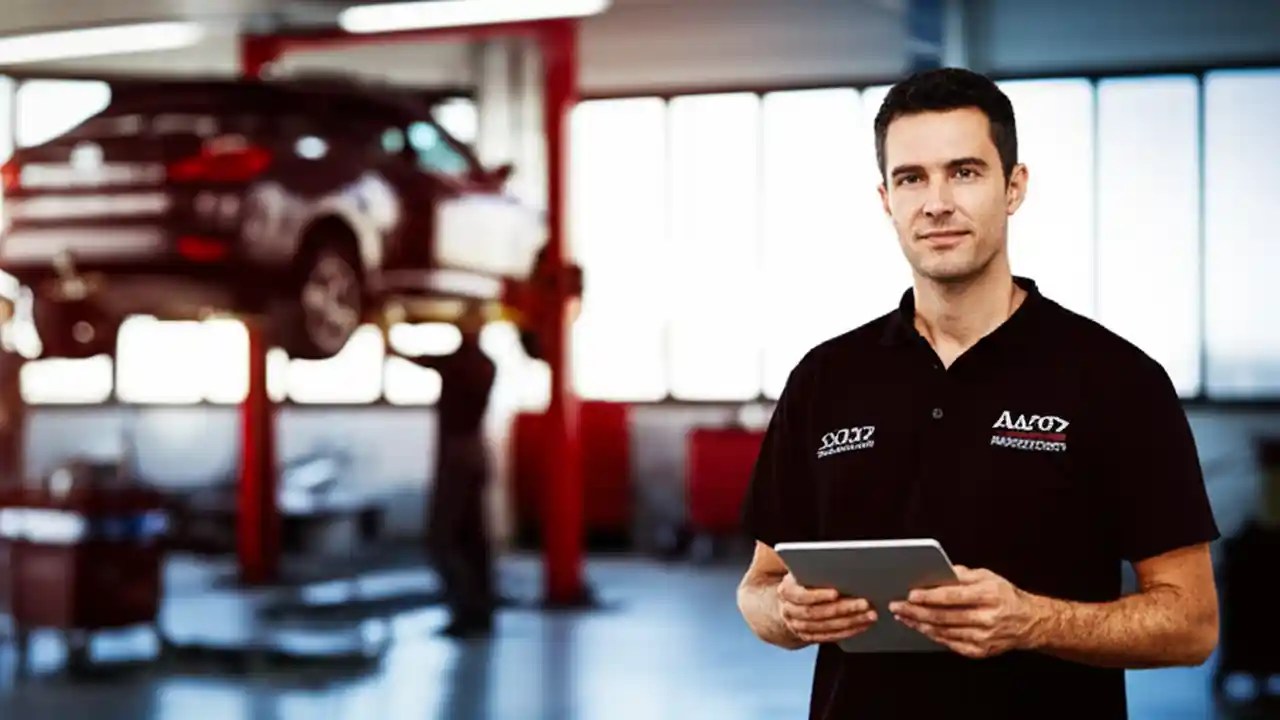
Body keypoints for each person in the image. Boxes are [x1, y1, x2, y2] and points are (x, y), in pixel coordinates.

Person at [736, 67, 1220, 719]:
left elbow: (1192, 624)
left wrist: (1033, 621)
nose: (936, 202)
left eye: (964, 171)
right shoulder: (825, 379)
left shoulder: (1115, 379)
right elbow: (758, 587)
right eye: (912, 178)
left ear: (1013, 187)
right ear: (886, 198)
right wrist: (786, 611)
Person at [398, 303, 498, 638]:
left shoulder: (460, 363)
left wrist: (389, 335)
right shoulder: (485, 364)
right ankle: (479, 612)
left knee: (442, 540)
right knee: (474, 541)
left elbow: (423, 360)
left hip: (457, 459)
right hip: (475, 457)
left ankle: (466, 610)